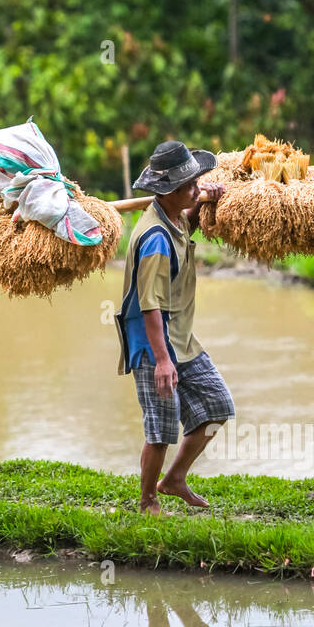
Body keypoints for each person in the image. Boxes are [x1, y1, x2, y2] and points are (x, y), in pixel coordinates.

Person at [116, 140, 235, 515]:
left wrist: (203, 199)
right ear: (167, 192)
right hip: (156, 346)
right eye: (189, 185)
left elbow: (190, 214)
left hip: (181, 339)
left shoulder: (174, 215)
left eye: (196, 181)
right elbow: (150, 306)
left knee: (218, 406)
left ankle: (175, 479)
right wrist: (163, 361)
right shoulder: (154, 240)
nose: (195, 188)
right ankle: (148, 499)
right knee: (161, 429)